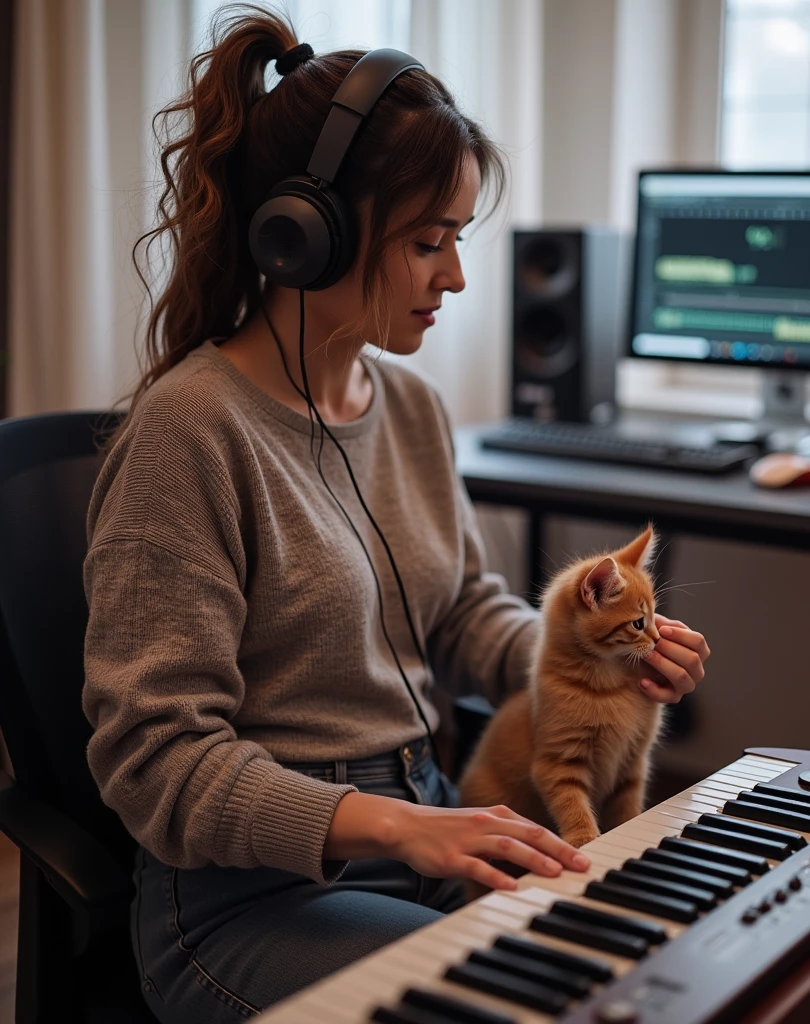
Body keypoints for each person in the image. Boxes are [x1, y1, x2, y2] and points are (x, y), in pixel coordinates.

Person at [81, 7, 710, 1022]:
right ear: (306, 235)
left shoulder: (407, 405)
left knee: (702, 965)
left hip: (428, 832)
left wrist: (593, 652)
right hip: (249, 900)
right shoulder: (189, 433)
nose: (454, 277)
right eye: (427, 242)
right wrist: (394, 827)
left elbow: (460, 614)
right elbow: (154, 760)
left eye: (456, 240)